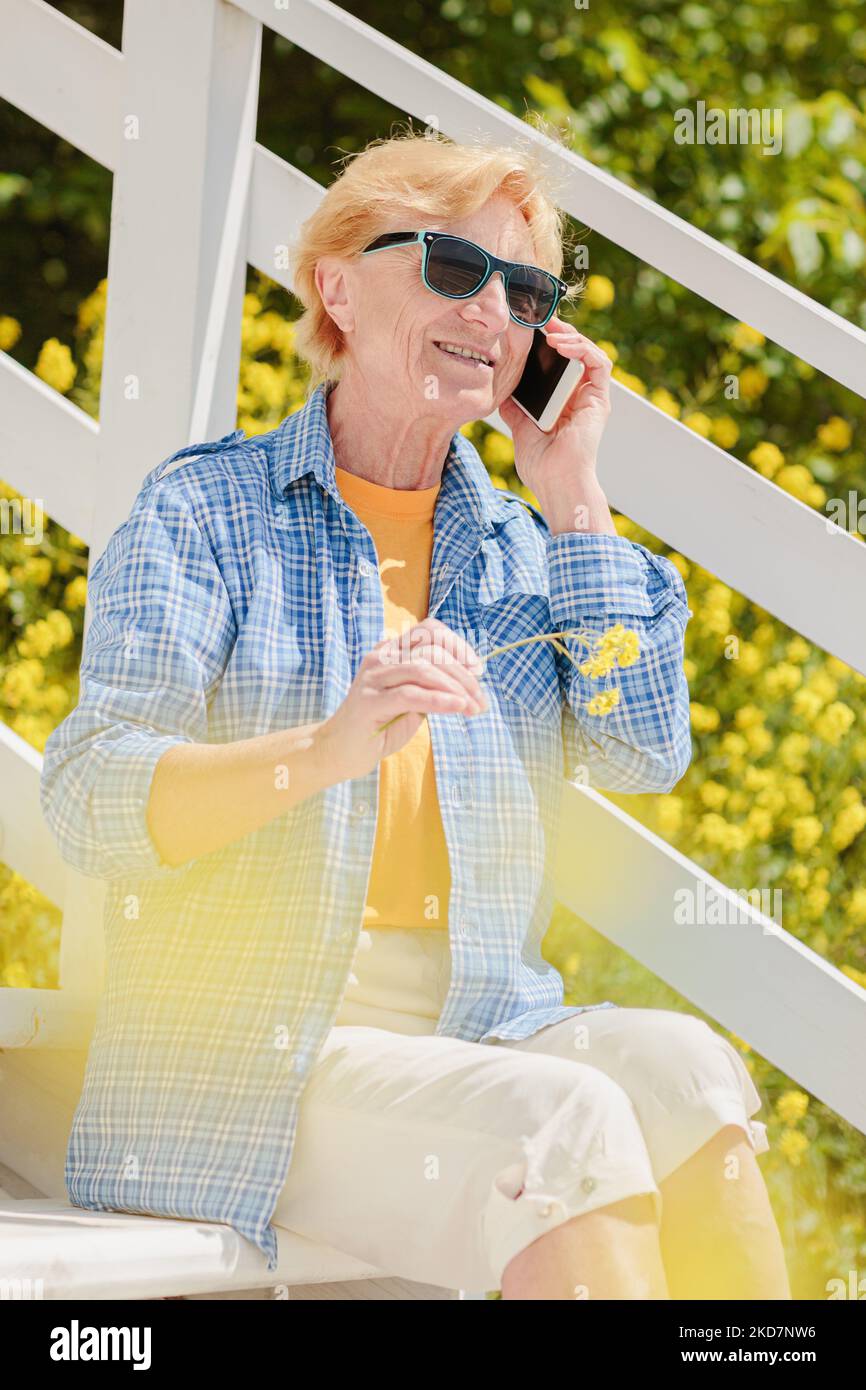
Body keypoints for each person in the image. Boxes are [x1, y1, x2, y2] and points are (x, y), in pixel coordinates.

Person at [41, 130, 789, 1299]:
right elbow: (91, 794)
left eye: (525, 290)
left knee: (686, 1070)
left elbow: (644, 749)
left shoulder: (516, 547)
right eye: (452, 267)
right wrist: (321, 750)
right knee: (567, 1114)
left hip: (478, 1029)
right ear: (336, 284)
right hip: (257, 1051)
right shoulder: (204, 513)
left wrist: (573, 492)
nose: (492, 308)